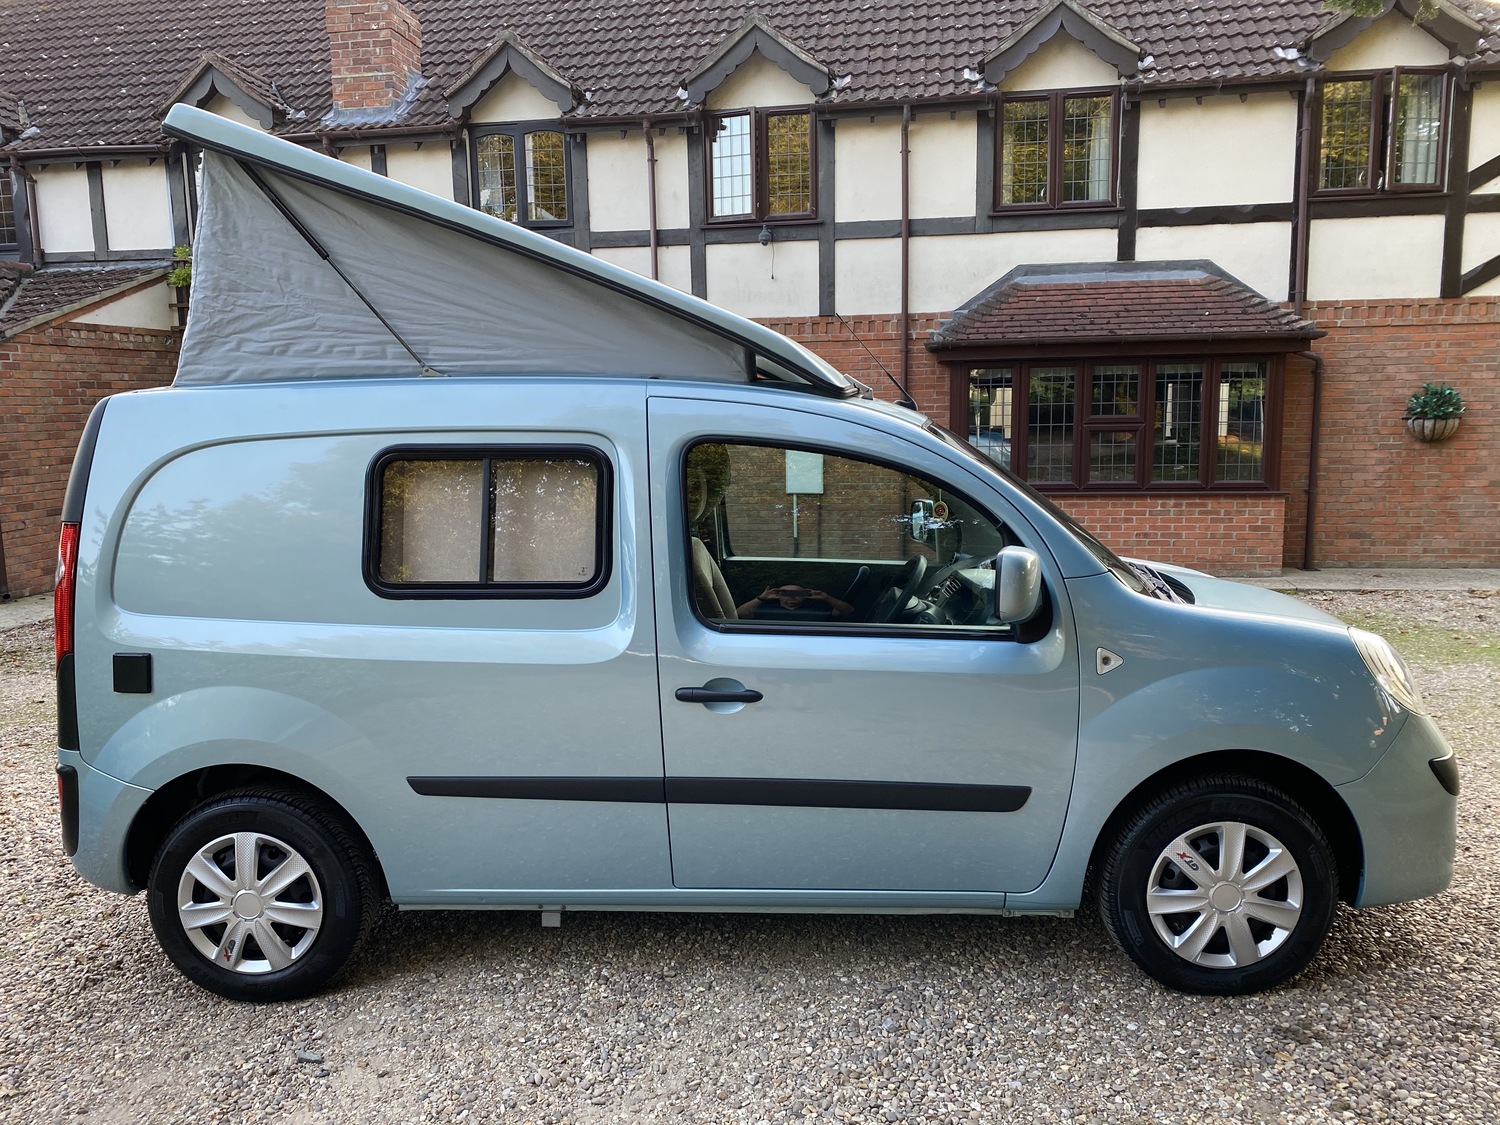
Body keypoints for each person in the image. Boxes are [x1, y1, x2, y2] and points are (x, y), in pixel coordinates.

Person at [738, 584, 854, 620]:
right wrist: (761, 598)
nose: (792, 597)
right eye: (786, 593)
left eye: (798, 593)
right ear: (778, 596)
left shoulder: (817, 610)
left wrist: (826, 597)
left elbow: (847, 611)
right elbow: (740, 614)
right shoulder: (765, 609)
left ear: (804, 596)